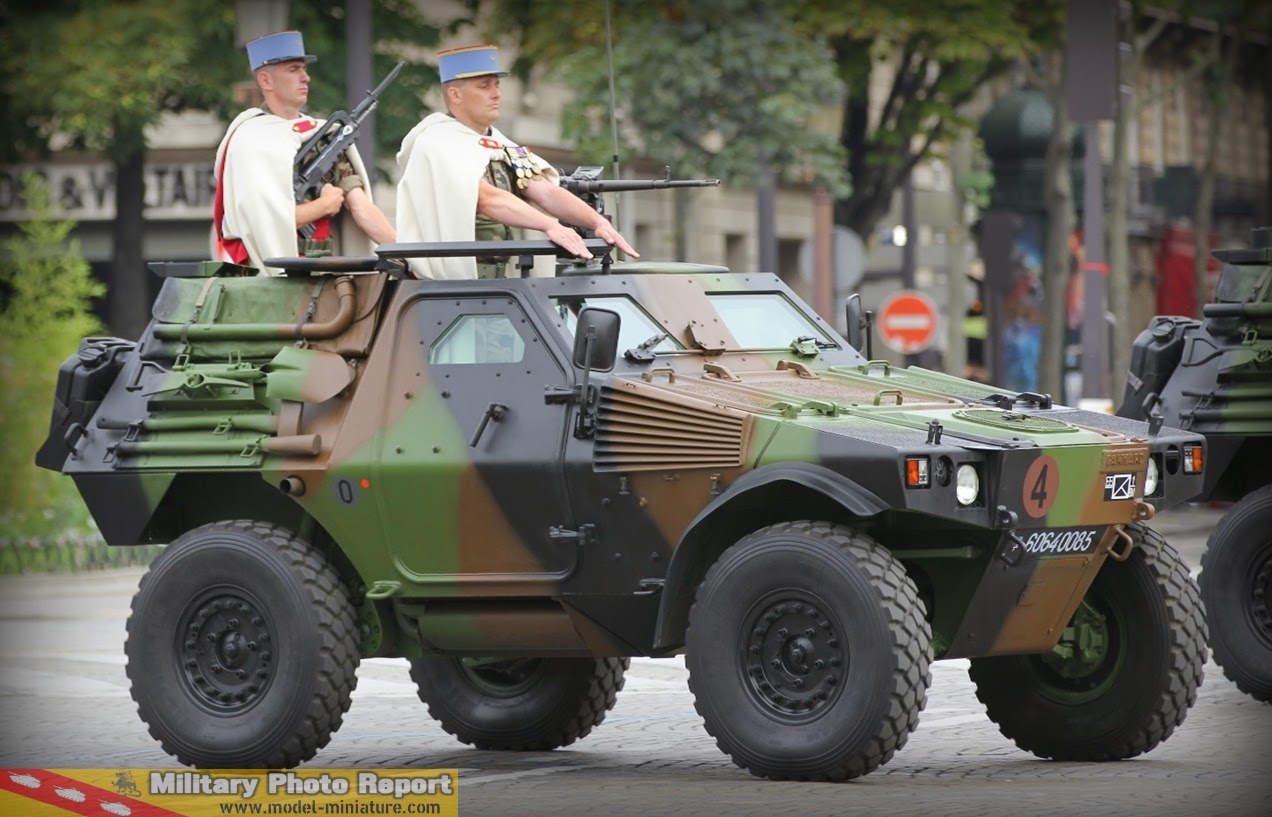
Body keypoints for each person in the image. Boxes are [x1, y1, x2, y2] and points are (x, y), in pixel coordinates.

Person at [396, 44, 638, 279]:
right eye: (484, 86)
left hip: (500, 282)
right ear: (455, 94)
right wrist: (550, 225)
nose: (497, 93)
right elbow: (487, 200)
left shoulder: (501, 145)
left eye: (497, 85)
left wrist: (596, 223)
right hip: (447, 289)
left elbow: (544, 191)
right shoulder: (436, 142)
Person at [214, 30, 396, 275]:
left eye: (304, 69)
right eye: (294, 69)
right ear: (266, 80)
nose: (306, 77)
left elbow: (361, 207)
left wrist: (405, 253)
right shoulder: (250, 142)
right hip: (274, 280)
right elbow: (262, 225)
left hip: (327, 271)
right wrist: (323, 205)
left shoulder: (322, 137)